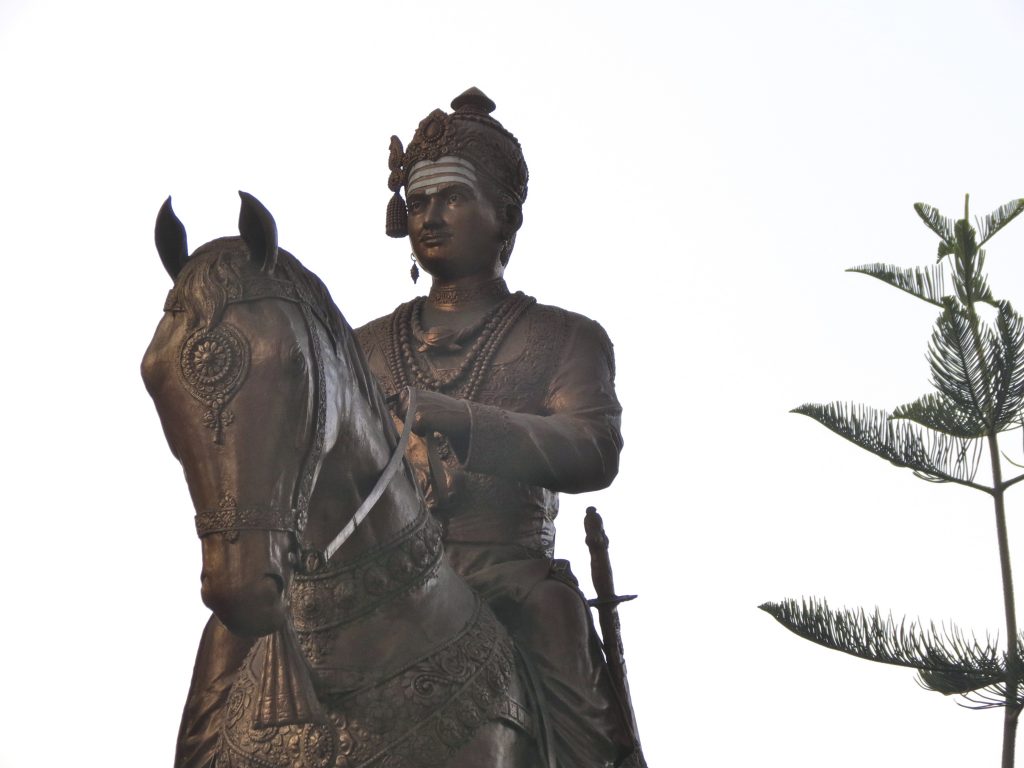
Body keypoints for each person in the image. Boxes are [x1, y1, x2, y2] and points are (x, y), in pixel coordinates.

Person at [355, 87, 644, 768]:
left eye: (451, 197)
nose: (430, 216)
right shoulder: (359, 348)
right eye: (418, 201)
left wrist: (464, 421)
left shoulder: (566, 338)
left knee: (559, 631)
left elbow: (594, 449)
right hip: (374, 582)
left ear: (505, 214)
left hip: (509, 574)